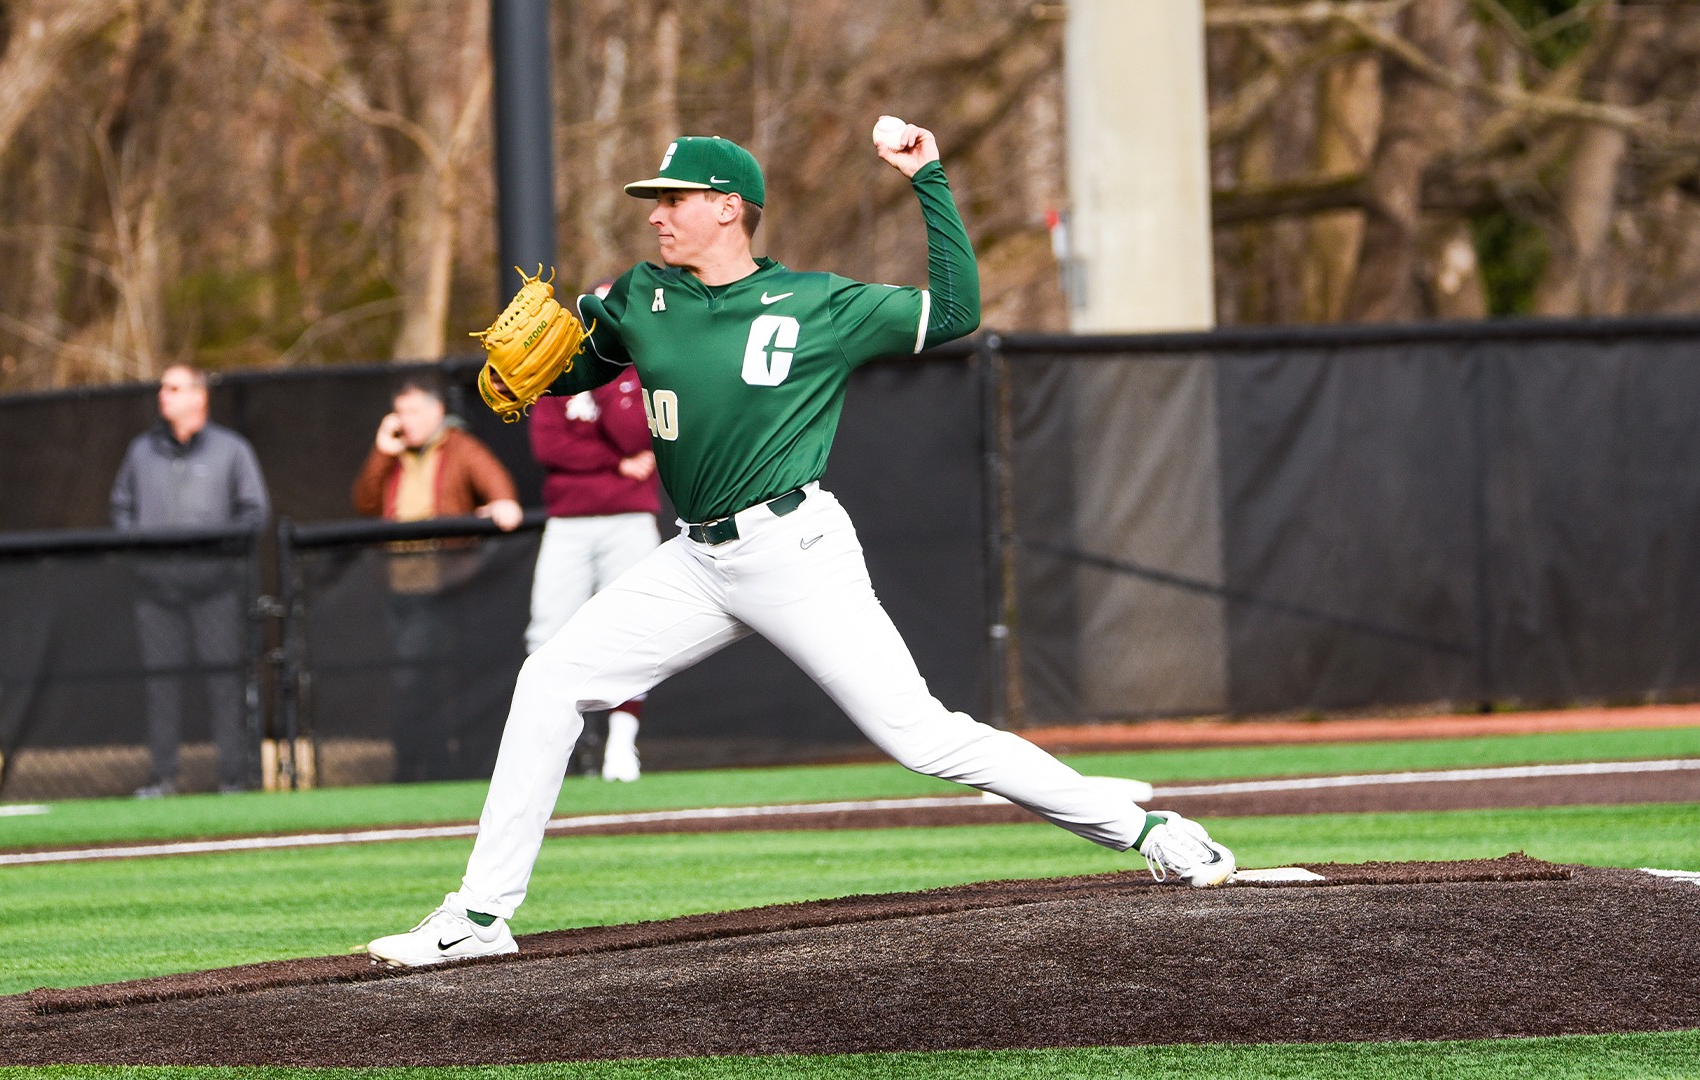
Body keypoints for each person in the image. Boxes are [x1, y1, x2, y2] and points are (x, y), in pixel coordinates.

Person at [369, 127, 1235, 967]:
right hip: (694, 560)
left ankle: (1154, 832)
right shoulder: (641, 296)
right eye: (654, 200)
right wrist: (534, 375)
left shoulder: (821, 303)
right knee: (550, 682)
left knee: (925, 739)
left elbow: (959, 311)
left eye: (673, 199)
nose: (655, 214)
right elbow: (567, 372)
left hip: (794, 548)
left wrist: (927, 179)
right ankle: (480, 914)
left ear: (729, 209)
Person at [111, 363, 270, 797]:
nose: (164, 395)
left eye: (175, 387)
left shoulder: (231, 450)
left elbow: (255, 513)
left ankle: (233, 778)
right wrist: (141, 551)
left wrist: (217, 557)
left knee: (225, 685)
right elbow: (120, 509)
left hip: (216, 592)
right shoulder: (141, 451)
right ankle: (163, 777)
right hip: (156, 592)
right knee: (160, 688)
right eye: (163, 388)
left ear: (199, 397)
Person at [353, 378, 522, 781]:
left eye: (412, 411)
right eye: (400, 412)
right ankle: (417, 763)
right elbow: (365, 502)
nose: (404, 421)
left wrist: (501, 505)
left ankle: (431, 766)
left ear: (434, 412)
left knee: (427, 678)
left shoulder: (460, 447)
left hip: (446, 583)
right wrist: (381, 451)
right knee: (409, 679)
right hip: (399, 583)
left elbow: (500, 488)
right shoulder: (393, 453)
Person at [526, 346, 661, 782]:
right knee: (547, 633)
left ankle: (622, 742)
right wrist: (615, 463)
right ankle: (542, 745)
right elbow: (548, 447)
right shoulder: (558, 374)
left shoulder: (645, 373)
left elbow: (636, 438)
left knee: (634, 630)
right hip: (568, 522)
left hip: (628, 519)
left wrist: (606, 384)